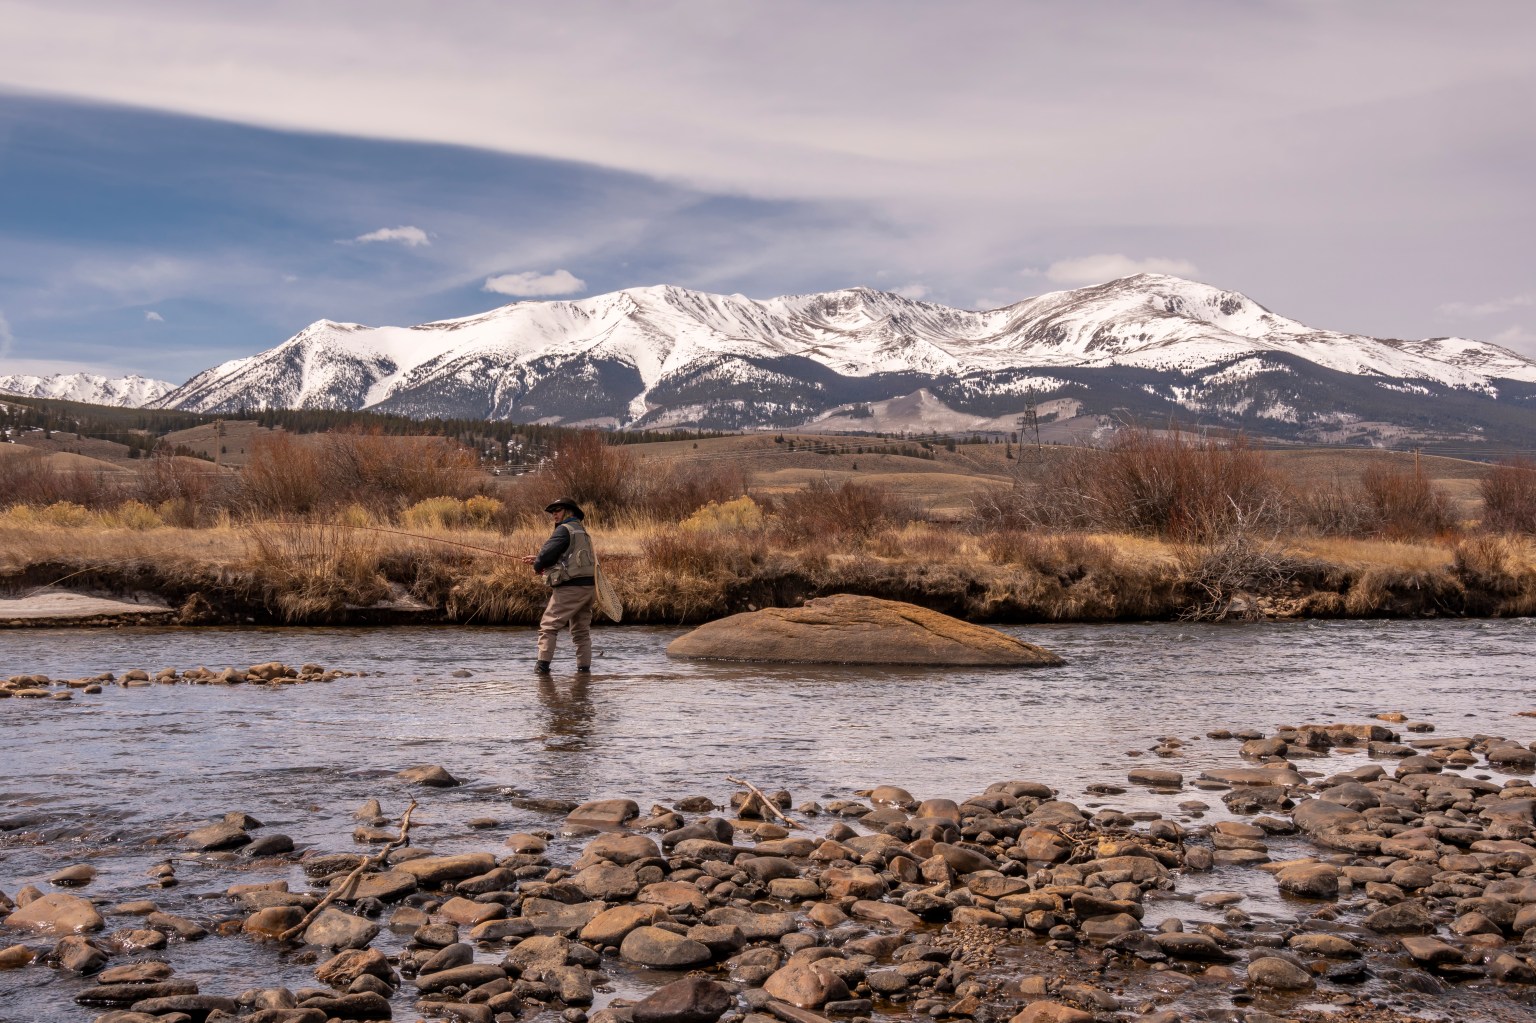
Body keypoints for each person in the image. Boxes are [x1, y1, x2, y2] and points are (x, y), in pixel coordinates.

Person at [522, 497, 596, 673]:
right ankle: (584, 672)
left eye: (558, 510)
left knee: (548, 626)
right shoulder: (582, 531)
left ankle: (542, 669)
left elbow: (546, 556)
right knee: (581, 632)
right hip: (589, 588)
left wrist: (537, 564)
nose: (554, 514)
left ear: (569, 512)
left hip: (571, 588)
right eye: (552, 511)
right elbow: (570, 557)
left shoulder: (564, 530)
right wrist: (539, 558)